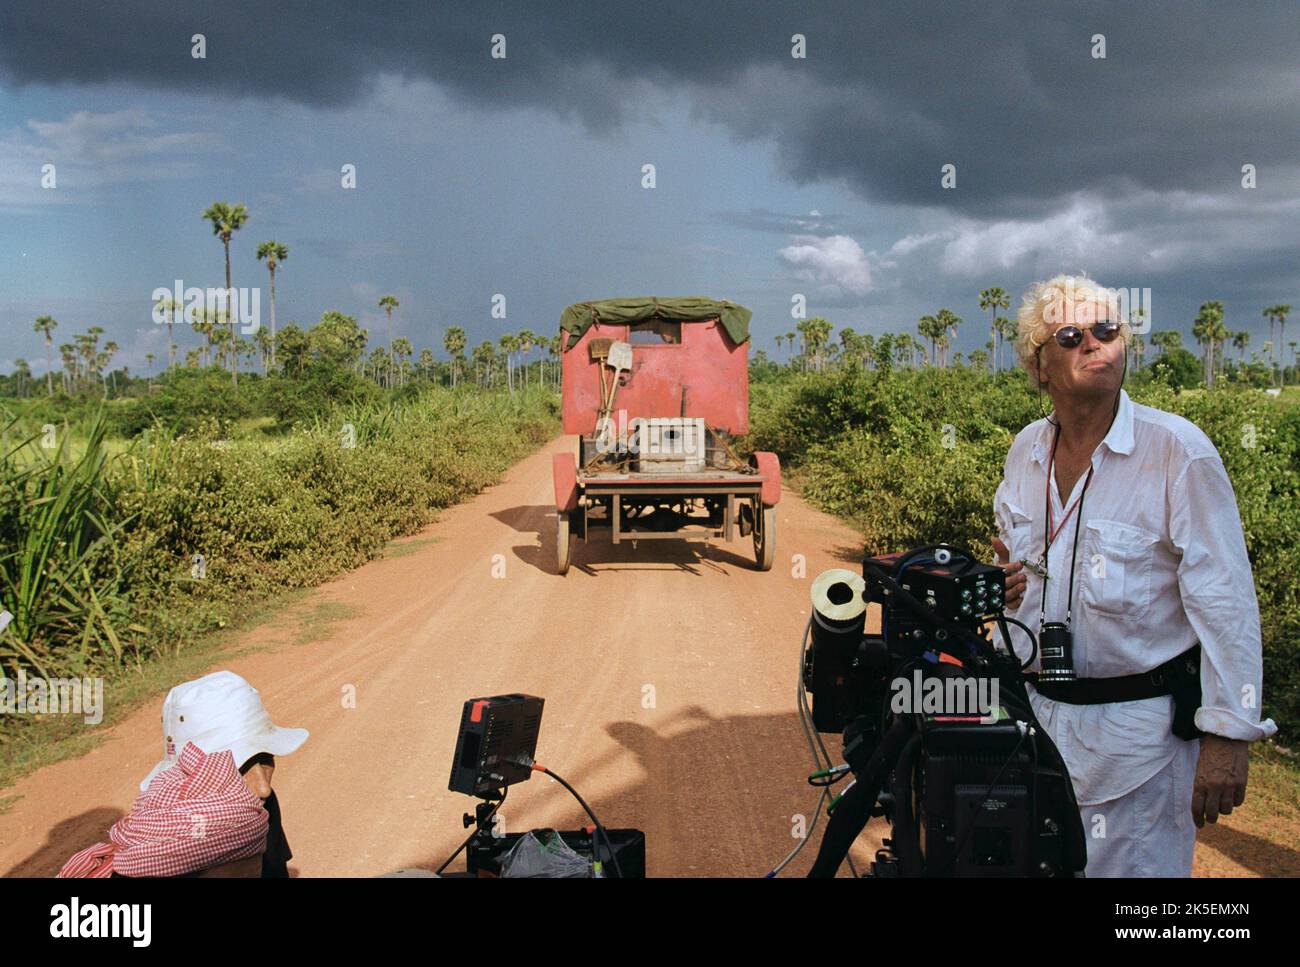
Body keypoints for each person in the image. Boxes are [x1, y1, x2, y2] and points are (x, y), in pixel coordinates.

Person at [992, 274, 1276, 877]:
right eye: (1071, 335)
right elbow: (1018, 568)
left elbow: (1225, 601)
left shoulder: (1178, 451)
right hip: (1037, 724)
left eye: (1107, 330)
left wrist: (1227, 735)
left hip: (1140, 747)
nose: (1094, 343)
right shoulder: (1026, 452)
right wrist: (1006, 583)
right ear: (1039, 367)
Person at [135, 670, 308, 877]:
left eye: (264, 759)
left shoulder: (256, 807)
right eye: (238, 768)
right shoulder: (156, 854)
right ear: (186, 778)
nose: (264, 788)